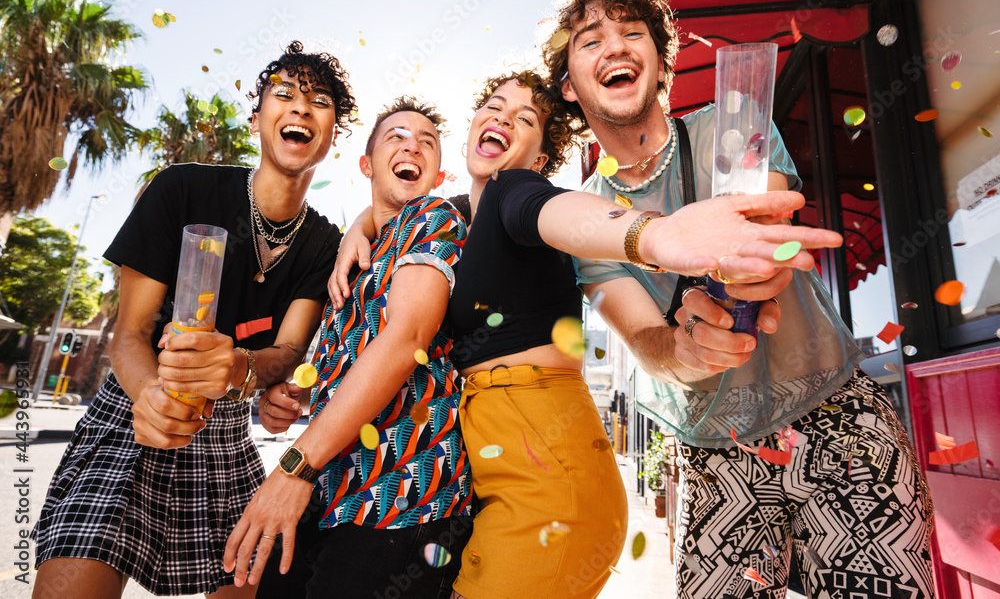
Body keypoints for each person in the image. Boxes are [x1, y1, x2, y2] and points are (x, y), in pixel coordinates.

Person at [330, 71, 843, 599]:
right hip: (503, 474)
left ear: (539, 159)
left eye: (526, 118)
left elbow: (561, 213)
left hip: (548, 481)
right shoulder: (458, 219)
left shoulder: (518, 190)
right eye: (493, 104)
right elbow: (400, 205)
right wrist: (362, 226)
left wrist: (654, 233)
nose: (503, 117)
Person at [542, 0, 935, 598]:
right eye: (591, 40)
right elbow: (645, 343)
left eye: (632, 31)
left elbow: (765, 236)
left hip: (839, 418)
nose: (615, 44)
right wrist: (687, 348)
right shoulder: (585, 216)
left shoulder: (733, 127)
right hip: (715, 452)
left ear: (663, 65)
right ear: (568, 84)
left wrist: (751, 274)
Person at [32, 41, 349, 599]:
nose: (300, 108)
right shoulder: (183, 188)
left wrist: (240, 370)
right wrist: (150, 395)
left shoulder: (325, 242)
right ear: (257, 119)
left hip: (227, 431)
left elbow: (289, 351)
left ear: (334, 135)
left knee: (248, 575)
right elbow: (128, 333)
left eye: (319, 100)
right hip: (137, 403)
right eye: (284, 94)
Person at [224, 96, 473, 598]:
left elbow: (405, 343)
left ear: (440, 176)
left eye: (428, 142)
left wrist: (295, 464)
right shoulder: (354, 254)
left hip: (403, 496)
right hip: (327, 488)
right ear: (366, 164)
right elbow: (336, 361)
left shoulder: (435, 218)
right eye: (397, 137)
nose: (413, 146)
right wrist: (293, 394)